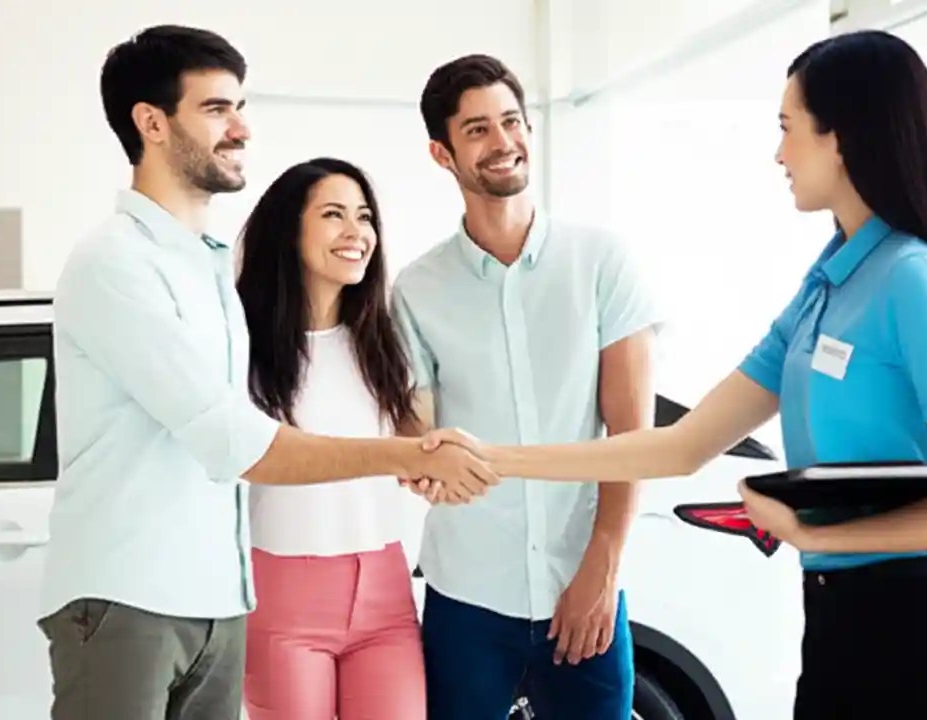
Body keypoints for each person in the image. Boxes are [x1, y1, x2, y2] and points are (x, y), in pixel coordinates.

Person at [427, 30, 927, 720]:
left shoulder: (914, 279)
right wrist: (494, 458)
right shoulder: (826, 286)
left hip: (923, 631)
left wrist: (817, 533)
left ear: (843, 137)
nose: (778, 153)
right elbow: (680, 444)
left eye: (787, 128)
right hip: (836, 619)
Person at [40, 26, 493, 720]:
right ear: (151, 123)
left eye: (241, 107)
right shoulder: (115, 263)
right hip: (132, 594)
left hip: (220, 600)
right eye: (218, 108)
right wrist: (408, 453)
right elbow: (233, 441)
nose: (242, 128)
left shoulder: (209, 268)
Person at [392, 54, 663, 720]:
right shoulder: (416, 289)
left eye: (512, 122)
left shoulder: (602, 261)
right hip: (467, 597)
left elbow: (634, 437)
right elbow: (417, 430)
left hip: (584, 579)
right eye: (478, 129)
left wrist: (602, 566)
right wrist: (415, 459)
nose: (503, 141)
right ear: (442, 153)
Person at [234, 157, 427, 720]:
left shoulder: (385, 340)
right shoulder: (243, 347)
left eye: (364, 217)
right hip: (284, 594)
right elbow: (250, 459)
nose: (356, 233)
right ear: (288, 230)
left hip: (386, 592)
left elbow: (416, 438)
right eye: (334, 215)